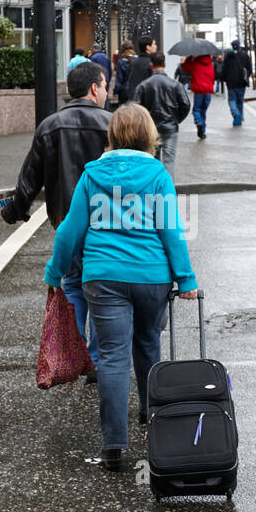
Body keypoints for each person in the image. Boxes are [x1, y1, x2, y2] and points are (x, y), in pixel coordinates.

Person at [45, 103, 199, 471]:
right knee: (148, 344)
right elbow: (170, 231)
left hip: (104, 277)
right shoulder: (158, 174)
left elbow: (70, 230)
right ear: (149, 136)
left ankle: (114, 445)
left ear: (112, 135)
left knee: (113, 356)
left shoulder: (92, 175)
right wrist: (186, 278)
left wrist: (55, 272)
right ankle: (152, 418)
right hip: (151, 276)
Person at [3, 61, 112, 377]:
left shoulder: (49, 126)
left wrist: (14, 212)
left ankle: (78, 358)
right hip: (106, 226)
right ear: (94, 88)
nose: (106, 91)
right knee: (104, 292)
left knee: (75, 288)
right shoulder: (112, 124)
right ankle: (97, 361)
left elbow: (29, 179)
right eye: (104, 85)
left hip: (66, 224)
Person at [133, 51, 191, 174]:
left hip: (151, 129)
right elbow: (185, 104)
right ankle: (168, 191)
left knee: (152, 162)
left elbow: (136, 108)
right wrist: (176, 119)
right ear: (164, 64)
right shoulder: (175, 85)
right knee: (169, 161)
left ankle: (153, 190)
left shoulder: (143, 86)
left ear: (151, 65)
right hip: (170, 127)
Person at [181, 52, 215, 139]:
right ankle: (202, 132)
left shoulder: (195, 64)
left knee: (196, 110)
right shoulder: (210, 65)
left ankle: (199, 123)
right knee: (203, 112)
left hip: (199, 91)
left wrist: (190, 57)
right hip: (208, 92)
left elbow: (184, 67)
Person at [221, 39, 253, 126]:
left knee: (232, 100)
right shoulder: (245, 55)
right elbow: (250, 69)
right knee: (240, 100)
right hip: (242, 82)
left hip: (231, 83)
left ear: (232, 46)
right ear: (239, 46)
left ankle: (236, 114)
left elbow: (224, 69)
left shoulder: (228, 56)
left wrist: (224, 79)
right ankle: (239, 118)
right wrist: (246, 77)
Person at [128, 36, 157, 101]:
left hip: (134, 98)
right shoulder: (152, 63)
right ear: (148, 47)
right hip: (147, 99)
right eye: (154, 44)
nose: (156, 46)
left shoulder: (133, 62)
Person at [113, 45, 135, 110]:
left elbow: (119, 78)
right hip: (134, 89)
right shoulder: (137, 60)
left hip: (124, 90)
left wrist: (115, 92)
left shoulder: (121, 62)